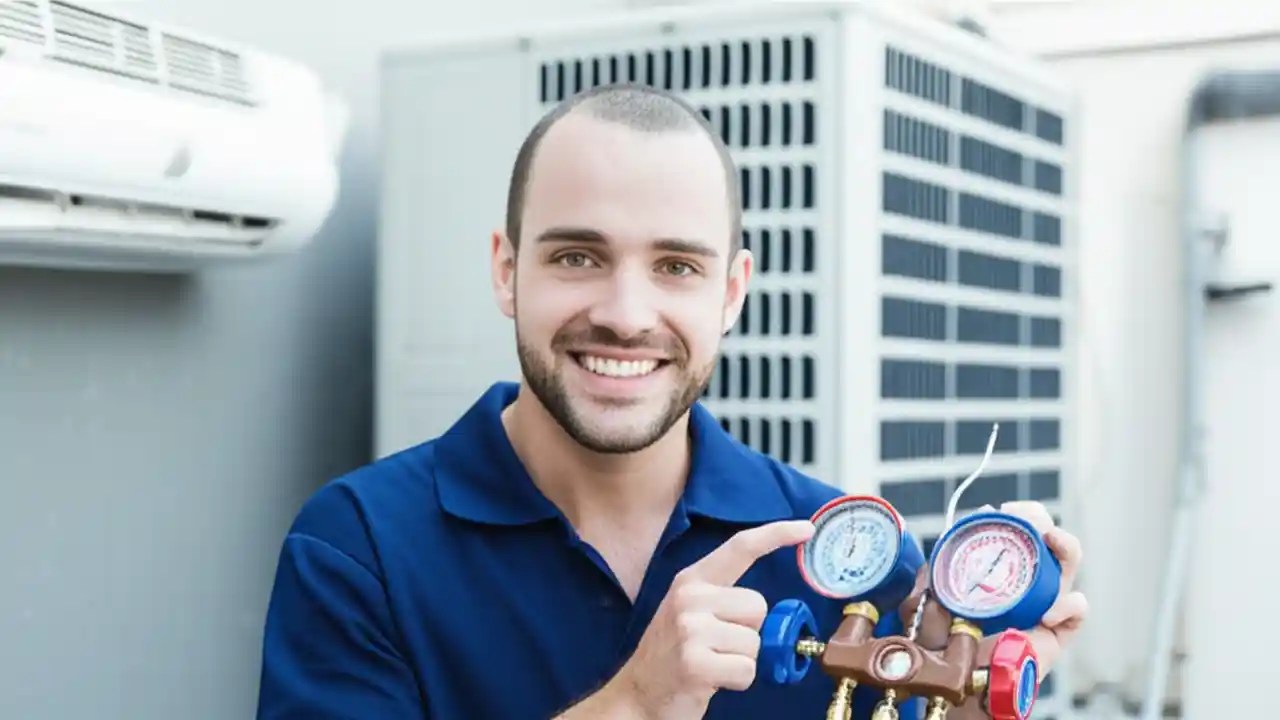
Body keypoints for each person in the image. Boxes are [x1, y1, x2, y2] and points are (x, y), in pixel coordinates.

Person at [255, 82, 1088, 720]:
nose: (624, 315)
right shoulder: (356, 550)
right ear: (507, 270)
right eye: (578, 257)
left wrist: (971, 700)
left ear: (732, 293)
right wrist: (635, 704)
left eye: (677, 267)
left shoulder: (847, 549)